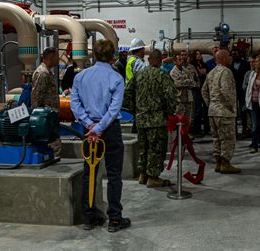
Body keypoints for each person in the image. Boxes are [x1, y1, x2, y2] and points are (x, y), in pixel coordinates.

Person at [71, 39, 131, 233]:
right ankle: (114, 218)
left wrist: (90, 125)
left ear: (94, 55)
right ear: (113, 56)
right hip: (109, 130)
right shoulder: (116, 78)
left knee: (90, 171)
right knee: (114, 174)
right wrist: (100, 127)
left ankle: (90, 216)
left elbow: (75, 104)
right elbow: (114, 109)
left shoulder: (81, 77)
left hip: (88, 130)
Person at [124, 49, 177, 188]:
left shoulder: (138, 75)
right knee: (156, 148)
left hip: (141, 119)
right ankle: (153, 177)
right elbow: (171, 97)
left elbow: (127, 93)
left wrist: (134, 110)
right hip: (157, 120)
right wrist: (169, 113)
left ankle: (143, 174)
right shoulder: (162, 75)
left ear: (148, 60)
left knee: (144, 147)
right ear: (160, 62)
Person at [202, 49, 241, 174]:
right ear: (223, 58)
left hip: (213, 111)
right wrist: (231, 107)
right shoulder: (226, 72)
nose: (231, 58)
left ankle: (218, 162)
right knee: (227, 139)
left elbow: (204, 91)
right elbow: (226, 92)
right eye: (229, 56)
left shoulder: (211, 72)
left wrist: (211, 104)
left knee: (216, 138)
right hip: (224, 112)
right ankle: (225, 163)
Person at [31, 47, 61, 157]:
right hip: (45, 115)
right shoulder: (42, 73)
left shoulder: (48, 72)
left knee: (53, 141)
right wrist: (37, 117)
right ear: (51, 58)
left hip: (50, 114)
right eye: (57, 57)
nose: (59, 60)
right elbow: (36, 96)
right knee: (54, 143)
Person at [170, 52, 197, 124]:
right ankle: (178, 135)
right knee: (179, 120)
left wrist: (185, 81)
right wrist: (187, 81)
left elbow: (193, 83)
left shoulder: (186, 70)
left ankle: (186, 134)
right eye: (179, 59)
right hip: (179, 100)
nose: (182, 61)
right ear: (175, 62)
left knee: (188, 120)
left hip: (188, 98)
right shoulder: (173, 72)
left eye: (182, 59)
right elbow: (178, 84)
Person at [230, 48, 250, 139]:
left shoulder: (245, 64)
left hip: (243, 90)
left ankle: (245, 130)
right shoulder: (230, 66)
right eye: (233, 54)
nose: (235, 55)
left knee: (243, 110)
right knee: (233, 111)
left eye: (236, 53)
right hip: (233, 90)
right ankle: (234, 131)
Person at [191, 49, 210, 136]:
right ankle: (197, 130)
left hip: (205, 88)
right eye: (197, 54)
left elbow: (208, 74)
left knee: (206, 108)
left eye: (200, 54)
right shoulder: (192, 65)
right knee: (197, 110)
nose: (199, 55)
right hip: (197, 90)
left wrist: (204, 73)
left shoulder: (204, 64)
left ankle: (207, 129)